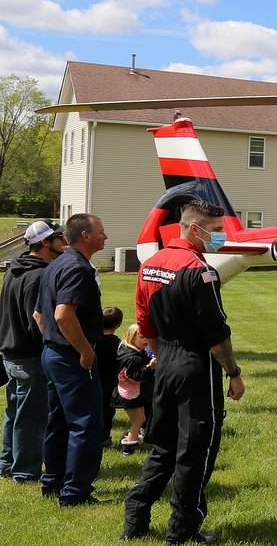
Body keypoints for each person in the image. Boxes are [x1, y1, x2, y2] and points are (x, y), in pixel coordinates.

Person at [123, 200, 244, 544]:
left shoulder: (150, 265)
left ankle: (136, 515)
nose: (220, 237)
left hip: (166, 363)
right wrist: (233, 372)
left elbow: (145, 325)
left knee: (163, 445)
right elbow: (217, 335)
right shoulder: (200, 271)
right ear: (195, 228)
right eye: (217, 230)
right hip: (195, 367)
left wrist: (162, 358)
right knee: (196, 451)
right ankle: (182, 529)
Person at [34, 213, 108, 506]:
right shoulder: (78, 268)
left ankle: (52, 482)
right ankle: (75, 493)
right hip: (71, 357)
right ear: (86, 236)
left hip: (52, 353)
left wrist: (54, 343)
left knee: (59, 421)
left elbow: (39, 314)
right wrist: (85, 351)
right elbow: (63, 314)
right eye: (101, 232)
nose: (106, 236)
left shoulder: (55, 265)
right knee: (86, 424)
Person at [0, 221, 65, 484]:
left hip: (11, 354)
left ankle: (7, 464)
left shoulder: (14, 270)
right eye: (58, 238)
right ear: (45, 242)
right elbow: (36, 321)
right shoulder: (39, 276)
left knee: (14, 413)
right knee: (31, 418)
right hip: (30, 357)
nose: (63, 242)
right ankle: (25, 472)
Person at [113, 324, 156, 456]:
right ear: (132, 338)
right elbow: (135, 377)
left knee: (141, 418)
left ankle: (133, 437)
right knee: (138, 420)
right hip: (130, 394)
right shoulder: (133, 357)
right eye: (141, 337)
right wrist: (150, 367)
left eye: (147, 337)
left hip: (133, 393)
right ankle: (127, 446)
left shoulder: (132, 350)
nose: (146, 340)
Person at [98, 306, 123, 447]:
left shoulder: (92, 341)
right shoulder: (118, 344)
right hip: (110, 383)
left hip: (94, 380)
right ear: (118, 324)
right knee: (107, 412)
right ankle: (104, 438)